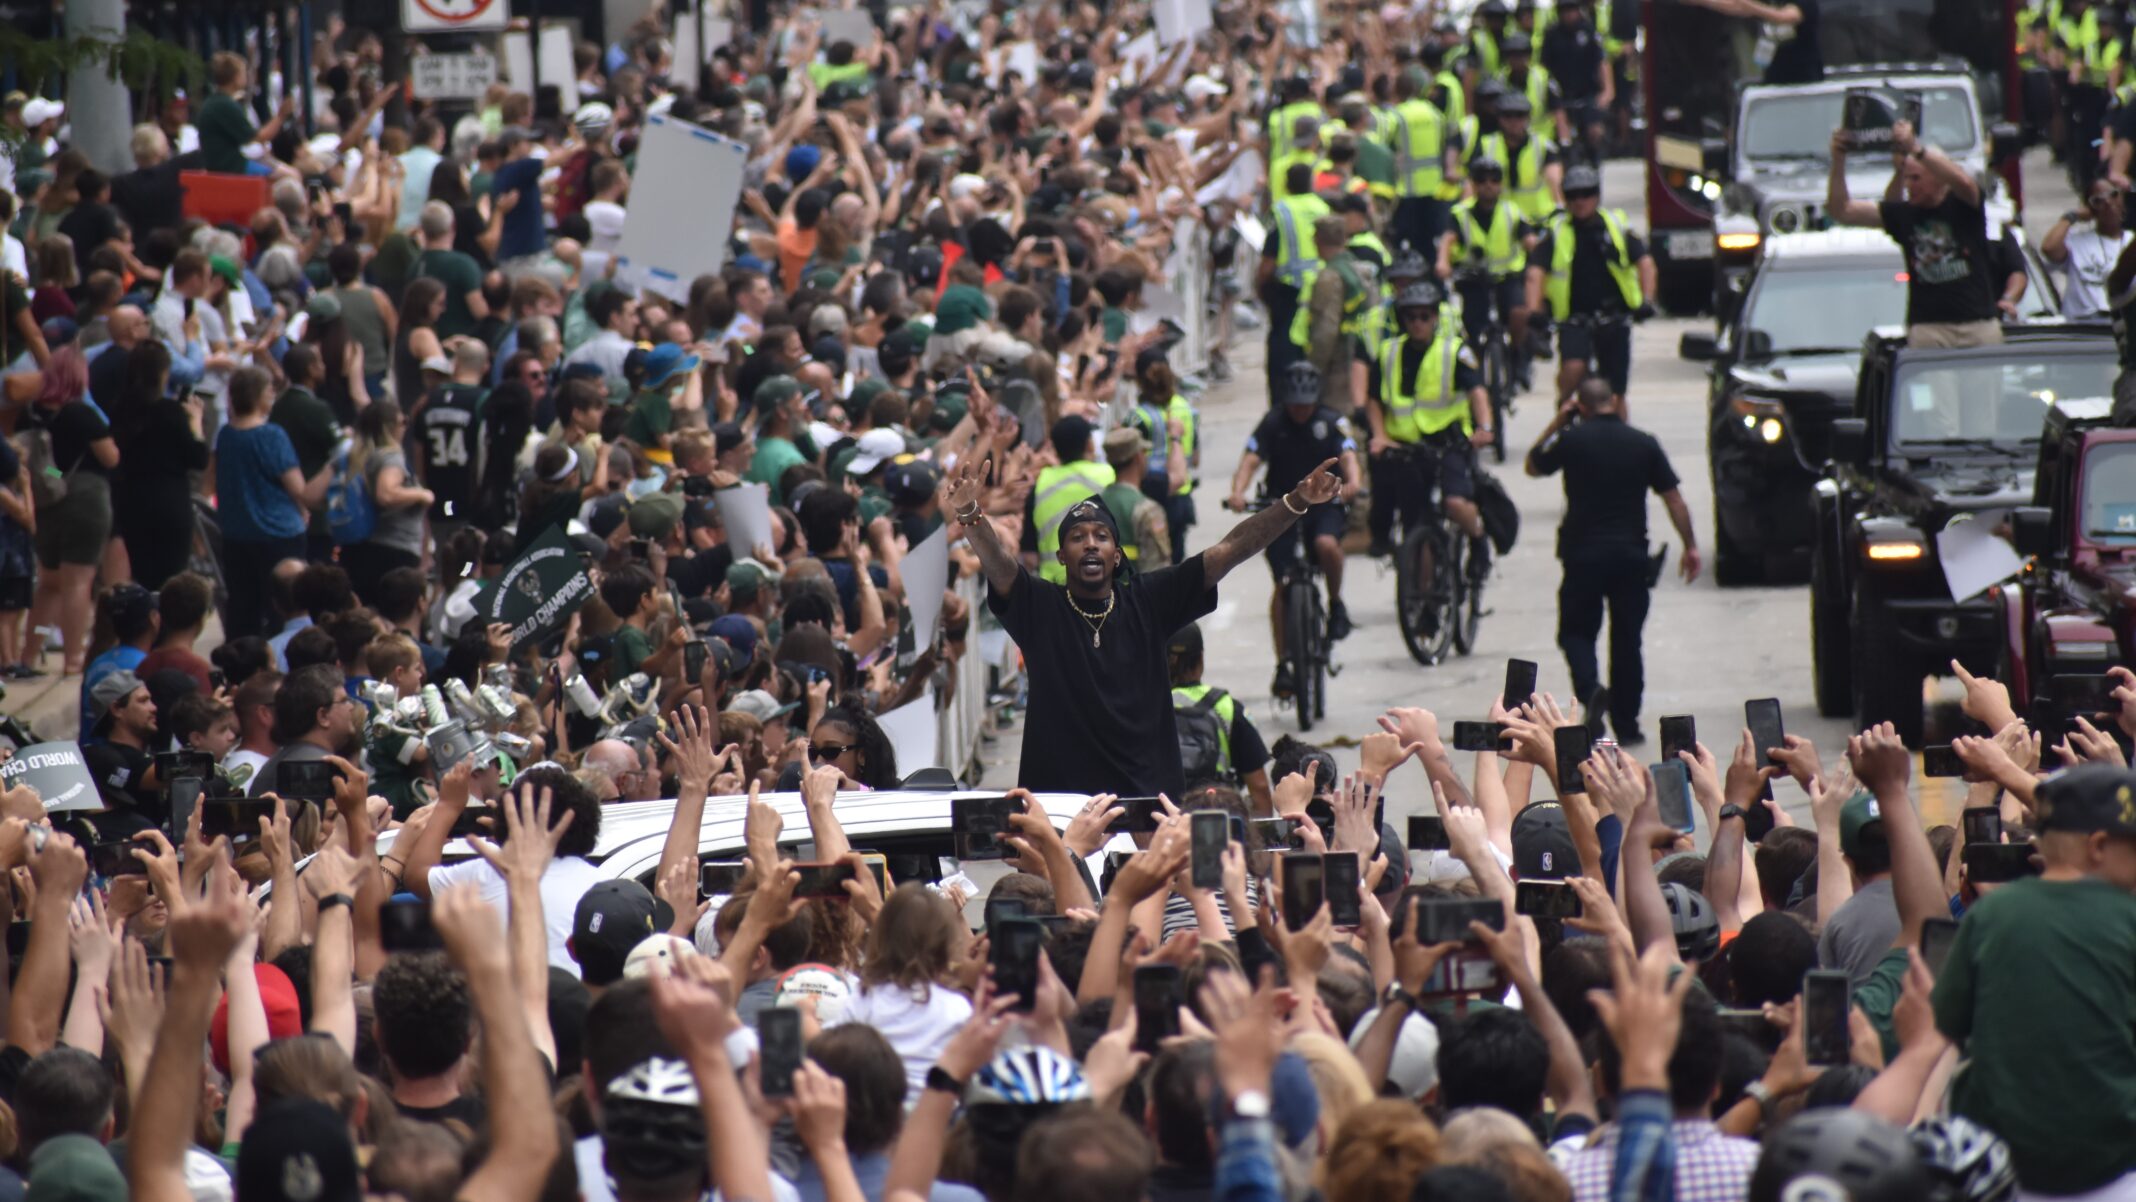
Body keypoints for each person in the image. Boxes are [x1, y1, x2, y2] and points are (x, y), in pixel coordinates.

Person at [943, 389, 1343, 799]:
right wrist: (972, 516)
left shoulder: (1149, 600)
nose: (1091, 544)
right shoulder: (1041, 607)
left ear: (1116, 555)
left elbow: (1231, 549)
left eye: (1101, 536)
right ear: (1062, 556)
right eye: (1078, 538)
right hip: (1062, 810)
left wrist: (1296, 502)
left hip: (1147, 804)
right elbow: (1001, 565)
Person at [1525, 378, 1701, 744]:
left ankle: (1590, 691)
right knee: (1627, 642)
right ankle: (1627, 724)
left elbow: (1532, 464)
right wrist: (1691, 546)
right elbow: (1675, 500)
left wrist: (1559, 422)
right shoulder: (1643, 442)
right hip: (1630, 557)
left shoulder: (1572, 441)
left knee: (1576, 632)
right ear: (1616, 402)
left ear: (1581, 407)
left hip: (1583, 556)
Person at [1226, 361, 1362, 696]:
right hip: (1283, 507)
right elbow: (1251, 459)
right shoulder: (1273, 422)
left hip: (1324, 505)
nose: (1300, 411)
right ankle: (1283, 663)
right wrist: (1238, 492)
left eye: (1306, 404)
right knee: (1283, 586)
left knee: (1327, 545)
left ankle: (1336, 603)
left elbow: (1348, 455)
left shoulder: (1331, 420)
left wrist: (1354, 483)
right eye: (1295, 405)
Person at [1366, 279, 1494, 597]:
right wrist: (1380, 435)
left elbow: (1477, 391)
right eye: (1411, 317)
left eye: (1424, 316)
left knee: (1454, 502)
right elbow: (1373, 399)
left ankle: (1478, 541)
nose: (1418, 323)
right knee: (1416, 526)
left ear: (1435, 317)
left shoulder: (1454, 351)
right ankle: (1424, 600)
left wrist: (1485, 428)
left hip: (1449, 443)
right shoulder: (1388, 352)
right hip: (1407, 448)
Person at [1827, 118, 2000, 348]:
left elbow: (1963, 182)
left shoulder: (1964, 204)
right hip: (1930, 327)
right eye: (1907, 178)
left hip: (1978, 323)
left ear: (1938, 178)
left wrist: (1915, 149)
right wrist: (1839, 160)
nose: (1909, 185)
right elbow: (1843, 210)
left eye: (1916, 178)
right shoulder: (1905, 214)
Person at [1525, 163, 1655, 405]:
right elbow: (1536, 273)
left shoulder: (1616, 226)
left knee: (1616, 394)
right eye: (1572, 195)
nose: (1579, 201)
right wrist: (1534, 311)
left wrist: (1647, 301)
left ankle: (1619, 436)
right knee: (1573, 369)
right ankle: (1563, 414)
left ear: (1597, 196)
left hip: (1614, 316)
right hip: (1574, 318)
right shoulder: (1556, 231)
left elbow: (1645, 263)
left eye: (1586, 194)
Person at [217, 366, 330, 640]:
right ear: (258, 395)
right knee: (284, 610)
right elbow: (298, 489)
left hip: (236, 535)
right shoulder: (271, 435)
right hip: (278, 534)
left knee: (243, 609)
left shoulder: (226, 435)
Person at [1166, 623, 1273, 814]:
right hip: (1219, 817)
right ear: (1200, 659)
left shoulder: (1148, 707)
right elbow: (1260, 787)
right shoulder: (1227, 707)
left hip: (1165, 820)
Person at [2042, 179, 2130, 320]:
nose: (2108, 203)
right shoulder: (2076, 243)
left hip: (2123, 321)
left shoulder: (2132, 242)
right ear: (2090, 208)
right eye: (2098, 200)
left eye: (2113, 195)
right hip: (2083, 326)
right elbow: (2049, 248)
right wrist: (2071, 217)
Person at [1679, 0, 1823, 84]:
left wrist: (1749, 5)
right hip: (1775, 75)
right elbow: (1737, 7)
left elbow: (1786, 17)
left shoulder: (1805, 3)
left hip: (1804, 78)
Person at [1100, 426, 1174, 571]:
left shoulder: (1095, 505)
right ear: (1138, 457)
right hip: (1134, 593)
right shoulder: (1147, 509)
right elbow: (1157, 573)